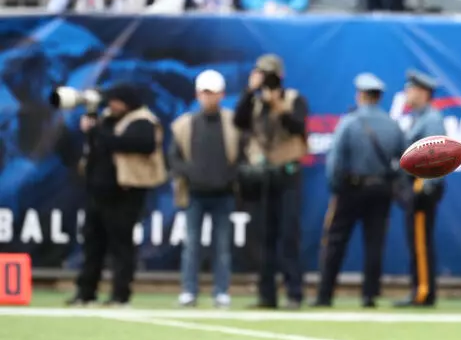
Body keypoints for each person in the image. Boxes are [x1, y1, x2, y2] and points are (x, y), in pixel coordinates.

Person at [66, 84, 167, 306]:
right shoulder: (107, 119)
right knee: (93, 245)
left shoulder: (143, 120)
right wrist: (92, 130)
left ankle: (120, 295)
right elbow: (97, 147)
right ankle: (85, 292)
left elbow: (137, 144)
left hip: (124, 193)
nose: (112, 105)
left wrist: (96, 131)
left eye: (117, 101)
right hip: (98, 192)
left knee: (121, 246)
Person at [316, 74, 405, 308]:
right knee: (375, 242)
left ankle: (325, 294)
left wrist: (336, 186)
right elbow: (404, 160)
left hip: (350, 189)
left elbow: (335, 161)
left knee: (335, 241)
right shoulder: (392, 125)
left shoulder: (349, 122)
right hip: (381, 190)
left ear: (361, 95)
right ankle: (369, 294)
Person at [234, 55, 309, 310]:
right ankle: (266, 295)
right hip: (264, 176)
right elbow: (238, 121)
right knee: (264, 236)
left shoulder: (294, 99)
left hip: (288, 173)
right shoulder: (254, 101)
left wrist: (278, 105)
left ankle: (294, 293)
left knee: (289, 235)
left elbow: (298, 127)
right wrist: (249, 90)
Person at [169, 70, 240, 309]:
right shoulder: (183, 125)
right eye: (205, 93)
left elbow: (241, 156)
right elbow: (173, 159)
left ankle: (221, 291)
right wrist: (191, 173)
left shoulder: (233, 123)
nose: (209, 98)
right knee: (191, 246)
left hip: (223, 194)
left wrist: (229, 177)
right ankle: (189, 290)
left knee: (222, 247)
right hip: (194, 194)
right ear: (198, 94)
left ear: (222, 94)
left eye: (214, 93)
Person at [395, 69, 446, 308]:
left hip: (421, 189)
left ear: (423, 92)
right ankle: (420, 288)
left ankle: (423, 291)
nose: (406, 92)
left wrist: (424, 187)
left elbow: (437, 156)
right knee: (417, 241)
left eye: (410, 88)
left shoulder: (431, 119)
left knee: (421, 243)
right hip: (415, 187)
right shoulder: (420, 117)